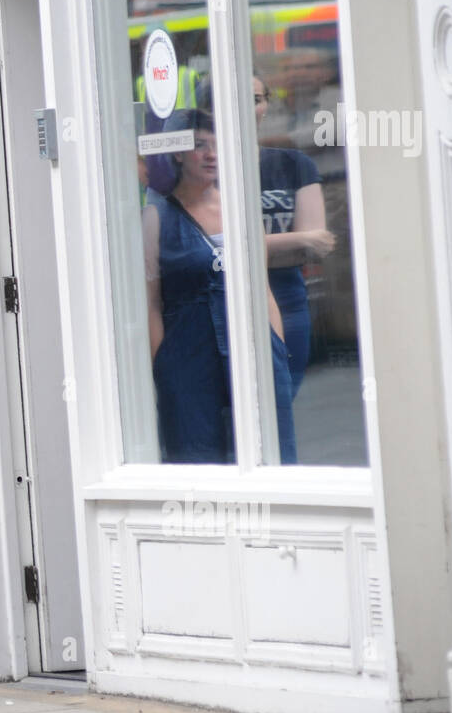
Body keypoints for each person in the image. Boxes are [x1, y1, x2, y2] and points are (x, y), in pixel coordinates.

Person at [144, 107, 297, 464]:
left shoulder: (242, 209)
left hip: (254, 348)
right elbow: (150, 303)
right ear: (178, 153)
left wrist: (277, 350)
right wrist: (165, 368)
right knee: (199, 461)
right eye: (199, 145)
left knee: (269, 454)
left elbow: (263, 288)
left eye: (216, 144)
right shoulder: (156, 219)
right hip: (189, 357)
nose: (211, 154)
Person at [255, 75, 336, 400]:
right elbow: (220, 249)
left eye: (256, 99)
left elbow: (319, 245)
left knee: (281, 403)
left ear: (266, 105)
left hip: (288, 298)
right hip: (221, 301)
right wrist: (295, 240)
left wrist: (257, 247)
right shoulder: (205, 169)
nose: (247, 108)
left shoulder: (292, 164)